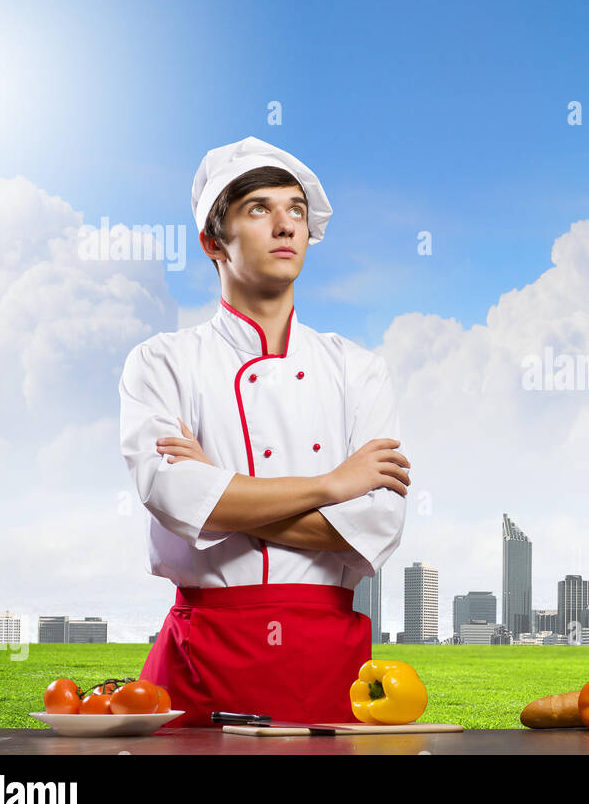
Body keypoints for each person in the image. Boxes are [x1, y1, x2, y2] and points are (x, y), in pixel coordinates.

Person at [118, 136, 411, 727]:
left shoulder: (358, 369)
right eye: (259, 209)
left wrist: (221, 495)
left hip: (330, 665)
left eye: (296, 210)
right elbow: (175, 499)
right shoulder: (161, 363)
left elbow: (377, 524)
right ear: (211, 242)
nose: (285, 225)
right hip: (200, 662)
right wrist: (333, 485)